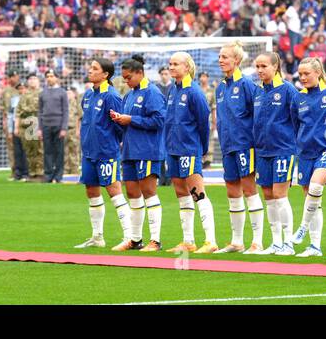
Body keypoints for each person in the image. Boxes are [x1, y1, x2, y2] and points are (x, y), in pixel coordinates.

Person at [73, 59, 132, 249]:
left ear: (105, 74)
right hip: (89, 152)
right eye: (90, 67)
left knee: (114, 191)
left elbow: (120, 126)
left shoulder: (112, 96)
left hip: (106, 152)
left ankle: (130, 236)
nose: (90, 71)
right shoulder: (89, 95)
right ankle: (97, 237)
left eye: (94, 68)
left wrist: (109, 143)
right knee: (91, 191)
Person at [214, 42, 266, 253]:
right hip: (227, 146)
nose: (220, 60)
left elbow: (257, 117)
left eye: (225, 56)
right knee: (231, 190)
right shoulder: (220, 87)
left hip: (245, 145)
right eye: (219, 56)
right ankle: (236, 241)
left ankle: (257, 241)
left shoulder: (247, 85)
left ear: (236, 60)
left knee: (249, 189)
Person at [111, 55, 166, 251]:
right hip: (129, 150)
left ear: (139, 73)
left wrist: (131, 119)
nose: (126, 81)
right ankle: (135, 239)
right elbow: (130, 120)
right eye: (124, 78)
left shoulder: (152, 92)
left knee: (149, 193)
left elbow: (159, 120)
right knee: (133, 193)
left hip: (147, 150)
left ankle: (155, 240)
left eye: (128, 77)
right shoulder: (129, 95)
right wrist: (119, 120)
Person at [163, 51, 216, 254]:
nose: (172, 67)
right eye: (170, 63)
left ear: (187, 67)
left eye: (176, 64)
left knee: (197, 193)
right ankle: (188, 241)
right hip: (173, 149)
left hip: (188, 148)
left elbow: (204, 121)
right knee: (181, 194)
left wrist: (201, 148)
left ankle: (210, 240)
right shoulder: (173, 90)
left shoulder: (194, 92)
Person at [251, 51, 300, 255]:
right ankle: (276, 242)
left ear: (275, 67)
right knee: (269, 197)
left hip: (283, 149)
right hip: (263, 151)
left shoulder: (288, 90)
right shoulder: (258, 91)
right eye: (257, 67)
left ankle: (288, 242)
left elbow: (297, 119)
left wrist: (292, 144)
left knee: (280, 195)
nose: (260, 70)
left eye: (264, 66)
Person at [292, 57, 326, 257]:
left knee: (316, 186)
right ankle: (315, 246)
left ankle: (302, 227)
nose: (302, 77)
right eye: (300, 74)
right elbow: (296, 125)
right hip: (305, 153)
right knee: (312, 199)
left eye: (306, 74)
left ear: (318, 73)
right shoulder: (298, 98)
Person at [39, 70, 69, 184]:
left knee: (59, 152)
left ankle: (58, 176)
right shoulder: (42, 93)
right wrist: (40, 128)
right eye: (47, 76)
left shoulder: (62, 92)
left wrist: (64, 128)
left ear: (56, 78)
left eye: (52, 76)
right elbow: (40, 111)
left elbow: (66, 111)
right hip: (46, 125)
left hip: (58, 125)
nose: (49, 78)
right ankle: (48, 175)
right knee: (47, 151)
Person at [17, 74, 43, 179]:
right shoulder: (24, 95)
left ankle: (40, 172)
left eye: (34, 79)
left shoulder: (42, 93)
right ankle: (32, 172)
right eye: (30, 79)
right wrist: (16, 127)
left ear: (38, 81)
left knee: (40, 149)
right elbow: (18, 111)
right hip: (27, 125)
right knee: (29, 149)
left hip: (38, 123)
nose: (32, 81)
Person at [2, 71, 26, 181]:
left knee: (25, 149)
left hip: (26, 125)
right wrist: (6, 125)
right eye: (11, 76)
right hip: (12, 123)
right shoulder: (6, 91)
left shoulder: (25, 93)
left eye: (15, 76)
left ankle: (28, 172)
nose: (13, 78)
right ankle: (15, 172)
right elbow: (7, 111)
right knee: (14, 149)